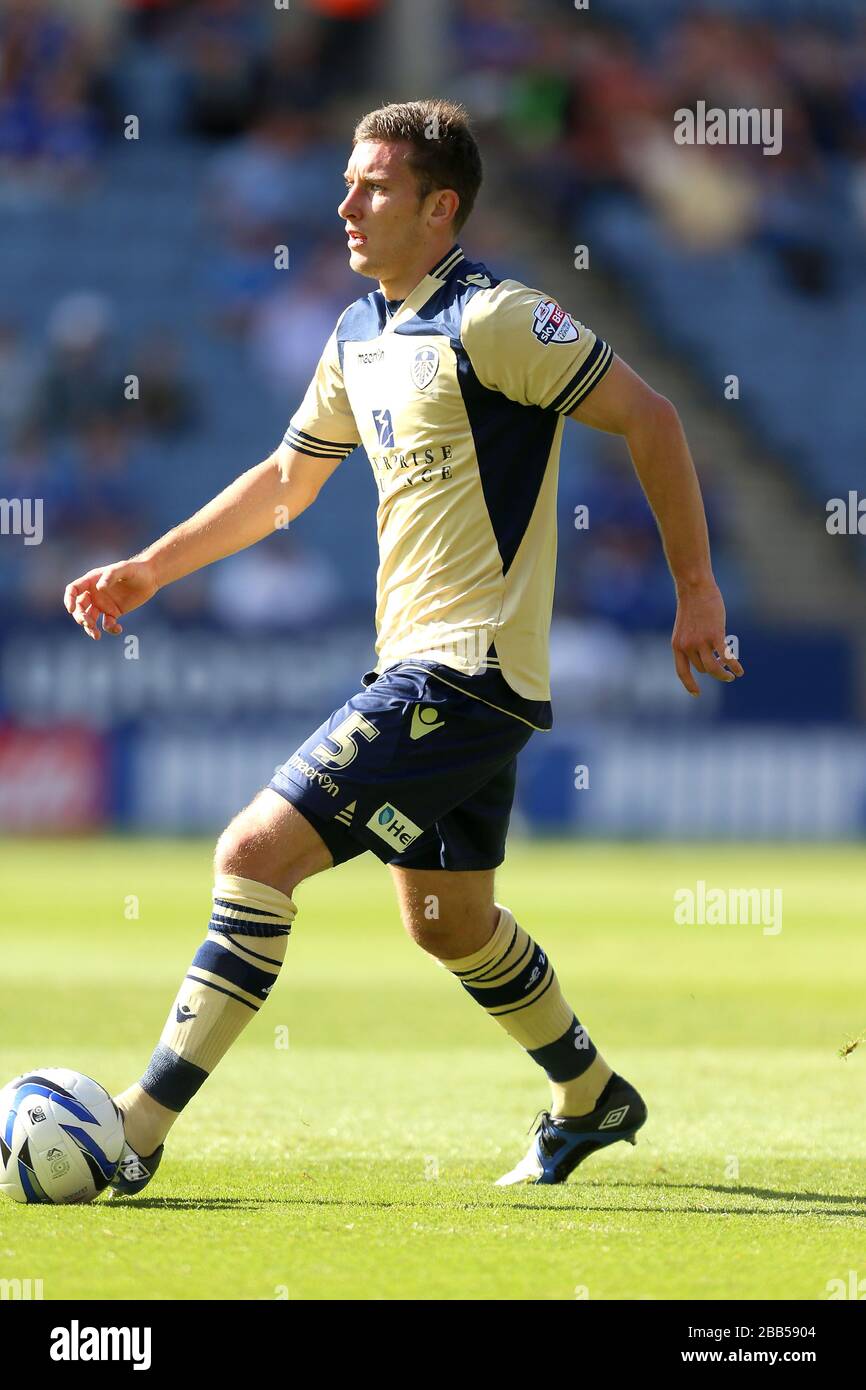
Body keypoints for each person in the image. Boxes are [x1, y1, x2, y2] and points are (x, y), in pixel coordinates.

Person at [63, 99, 743, 1193]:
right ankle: (589, 1094)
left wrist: (695, 592)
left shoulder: (497, 320)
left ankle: (135, 1127)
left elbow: (652, 418)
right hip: (422, 670)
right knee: (447, 922)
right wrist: (151, 566)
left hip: (462, 673)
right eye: (345, 180)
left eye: (371, 186)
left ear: (438, 208)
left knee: (251, 854)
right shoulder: (356, 334)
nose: (343, 203)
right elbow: (286, 485)